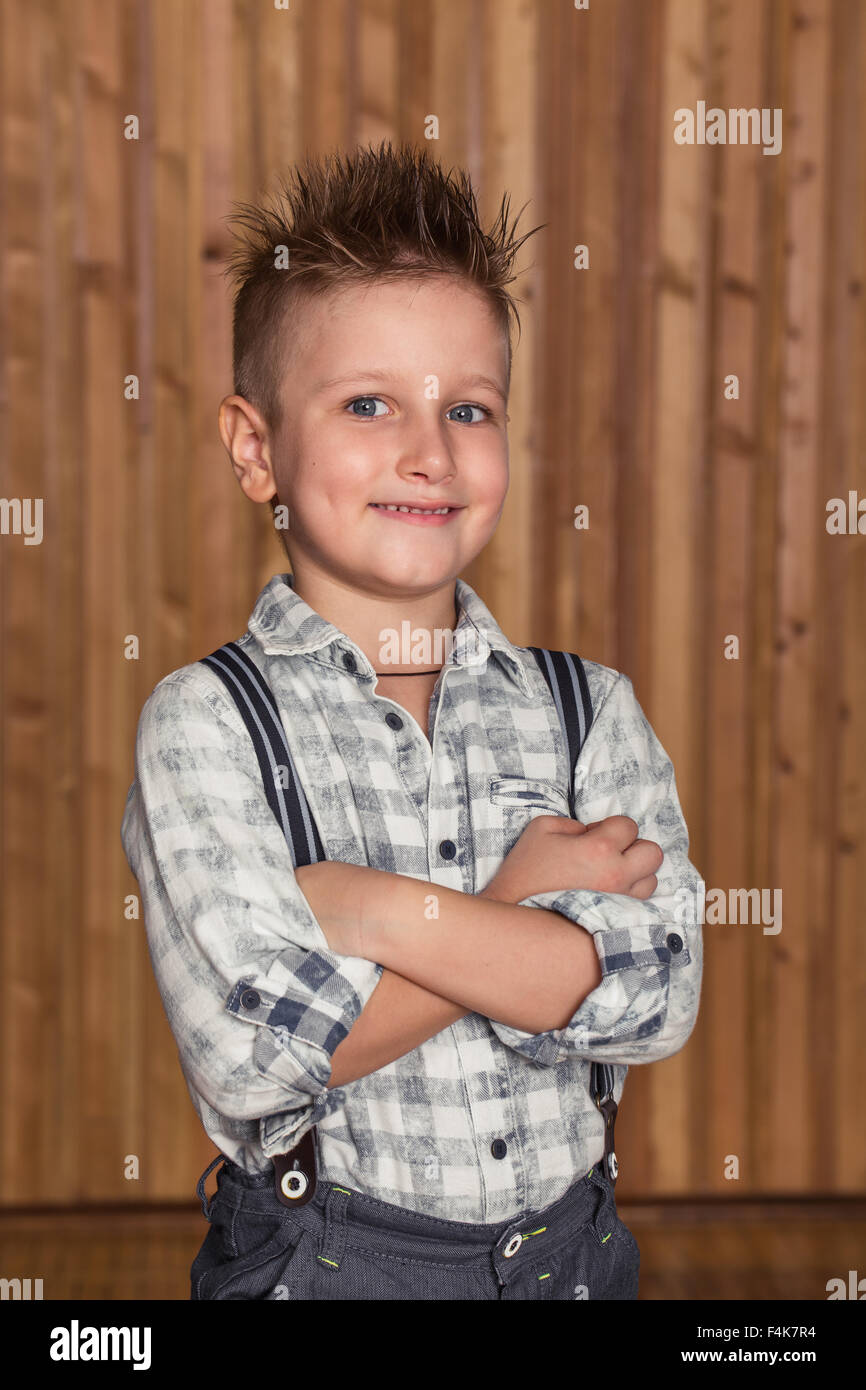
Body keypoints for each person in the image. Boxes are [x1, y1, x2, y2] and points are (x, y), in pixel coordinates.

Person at [120, 140, 704, 1301]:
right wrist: (511, 912)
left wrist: (366, 905)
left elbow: (651, 992)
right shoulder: (204, 724)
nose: (428, 452)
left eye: (469, 408)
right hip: (320, 1265)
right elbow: (260, 1062)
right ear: (256, 449)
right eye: (369, 402)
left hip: (572, 1263)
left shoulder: (588, 709)